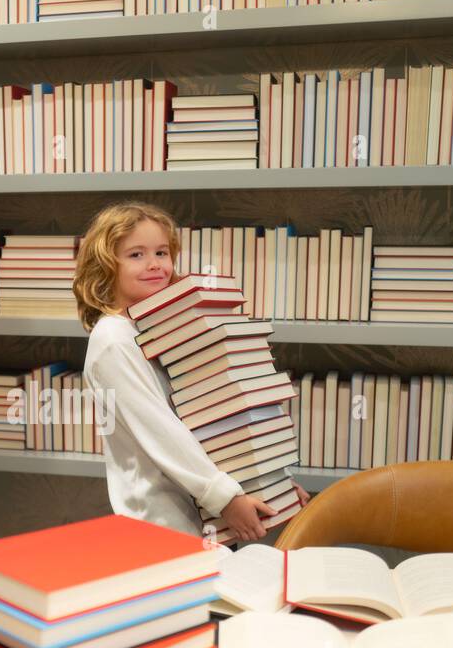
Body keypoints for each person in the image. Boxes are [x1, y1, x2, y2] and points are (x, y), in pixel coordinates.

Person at [75, 200, 309, 542]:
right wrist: (225, 498)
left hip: (199, 515)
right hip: (158, 523)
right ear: (106, 265)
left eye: (162, 252)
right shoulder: (113, 340)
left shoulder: (161, 330)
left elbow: (208, 421)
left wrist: (272, 484)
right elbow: (161, 431)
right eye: (136, 255)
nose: (155, 265)